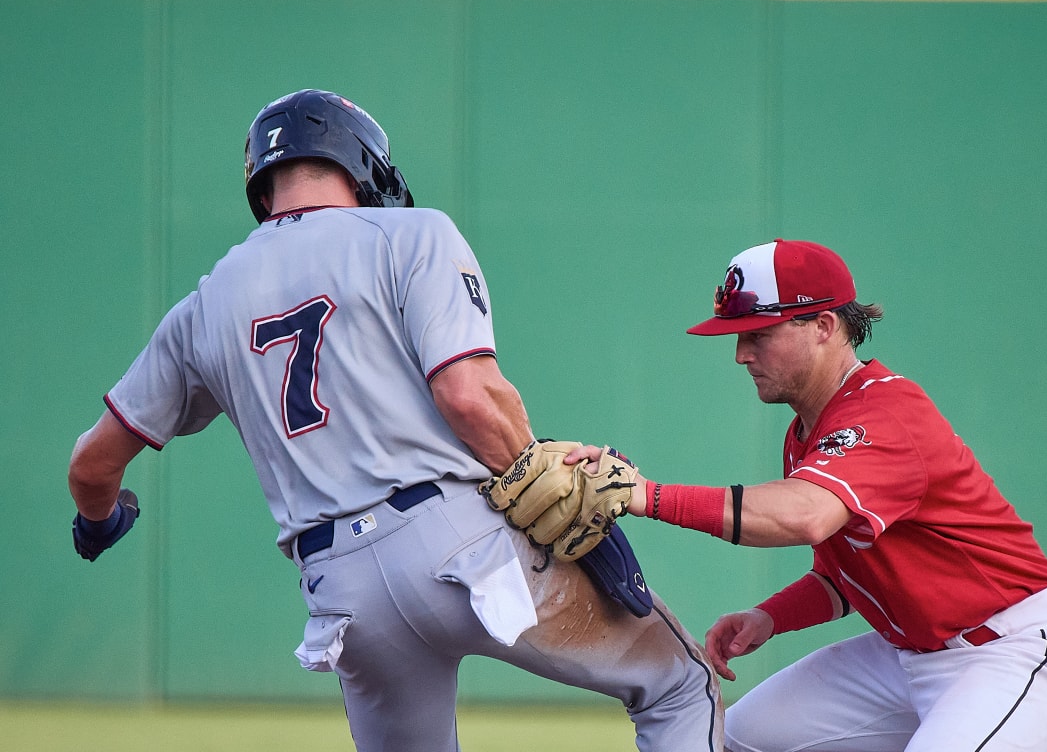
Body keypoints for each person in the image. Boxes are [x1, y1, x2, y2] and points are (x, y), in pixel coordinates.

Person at [65, 89, 721, 752]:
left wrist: (100, 521)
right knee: (678, 685)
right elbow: (468, 396)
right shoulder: (410, 234)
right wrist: (533, 472)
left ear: (262, 190)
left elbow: (92, 466)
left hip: (339, 588)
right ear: (361, 166)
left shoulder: (202, 307)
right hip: (456, 542)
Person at [588, 239, 1047, 751]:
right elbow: (844, 579)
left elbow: (807, 515)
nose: (741, 354)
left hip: (1015, 650)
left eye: (758, 334)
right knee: (729, 741)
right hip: (910, 657)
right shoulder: (807, 432)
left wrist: (645, 495)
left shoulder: (885, 414)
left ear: (823, 326)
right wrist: (771, 617)